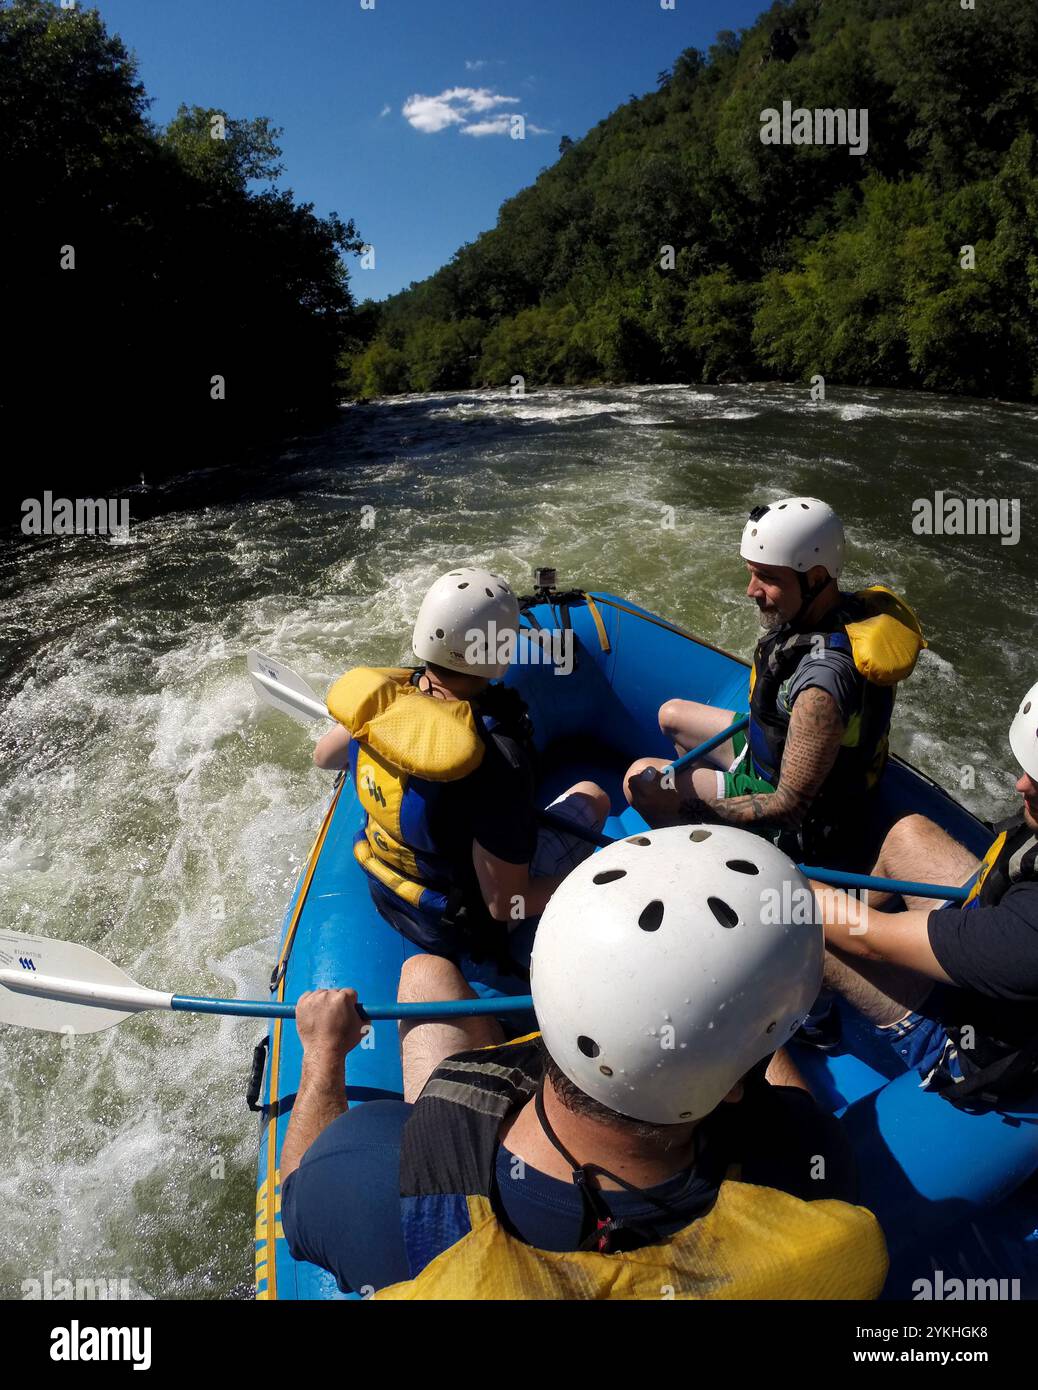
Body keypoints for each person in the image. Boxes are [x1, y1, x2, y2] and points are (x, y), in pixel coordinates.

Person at [280, 825, 889, 1299]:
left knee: (424, 974)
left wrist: (324, 1053)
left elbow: (293, 1199)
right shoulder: (809, 1176)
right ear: (734, 1083)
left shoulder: (364, 1170)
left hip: (453, 1184)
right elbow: (778, 1098)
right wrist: (734, 1024)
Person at [312, 566, 608, 976]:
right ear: (500, 652)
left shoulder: (384, 707)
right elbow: (506, 904)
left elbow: (324, 756)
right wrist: (589, 879)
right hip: (459, 924)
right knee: (593, 795)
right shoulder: (498, 758)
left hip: (392, 893)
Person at [623, 498, 925, 870]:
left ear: (814, 578)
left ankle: (702, 866)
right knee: (671, 715)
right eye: (752, 573)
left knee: (639, 779)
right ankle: (714, 788)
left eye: (767, 577)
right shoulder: (825, 610)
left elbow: (788, 808)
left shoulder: (822, 689)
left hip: (798, 819)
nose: (752, 590)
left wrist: (691, 806)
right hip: (774, 755)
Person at [812, 681, 1038, 1111]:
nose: (1020, 785)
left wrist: (792, 892)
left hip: (975, 1043)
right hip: (994, 939)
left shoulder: (1028, 932)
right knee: (907, 835)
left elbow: (868, 938)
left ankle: (815, 1022)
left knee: (806, 917)